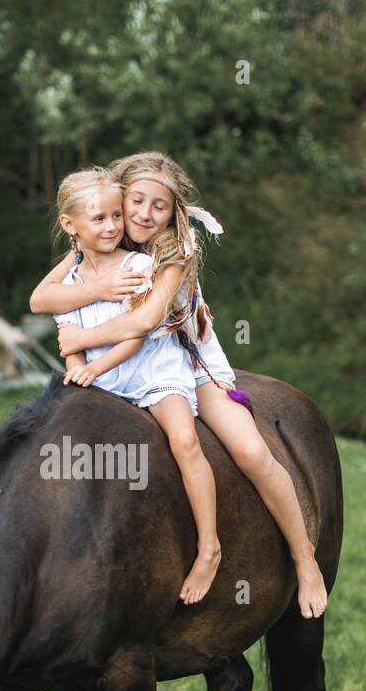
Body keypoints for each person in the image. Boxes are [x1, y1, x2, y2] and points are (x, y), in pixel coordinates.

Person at [31, 151, 328, 619]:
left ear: (175, 213)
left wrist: (83, 337)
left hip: (184, 361)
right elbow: (43, 297)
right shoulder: (101, 237)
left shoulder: (174, 251)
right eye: (137, 202)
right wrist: (96, 291)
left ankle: (303, 557)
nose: (145, 214)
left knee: (249, 451)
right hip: (119, 366)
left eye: (160, 206)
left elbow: (147, 319)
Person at [47, 166, 221, 605]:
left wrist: (93, 365)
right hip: (103, 379)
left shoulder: (139, 265)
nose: (111, 226)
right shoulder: (67, 284)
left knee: (184, 442)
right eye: (99, 219)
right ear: (70, 225)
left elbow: (136, 335)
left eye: (113, 217)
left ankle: (208, 547)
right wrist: (75, 369)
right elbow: (67, 334)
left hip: (151, 372)